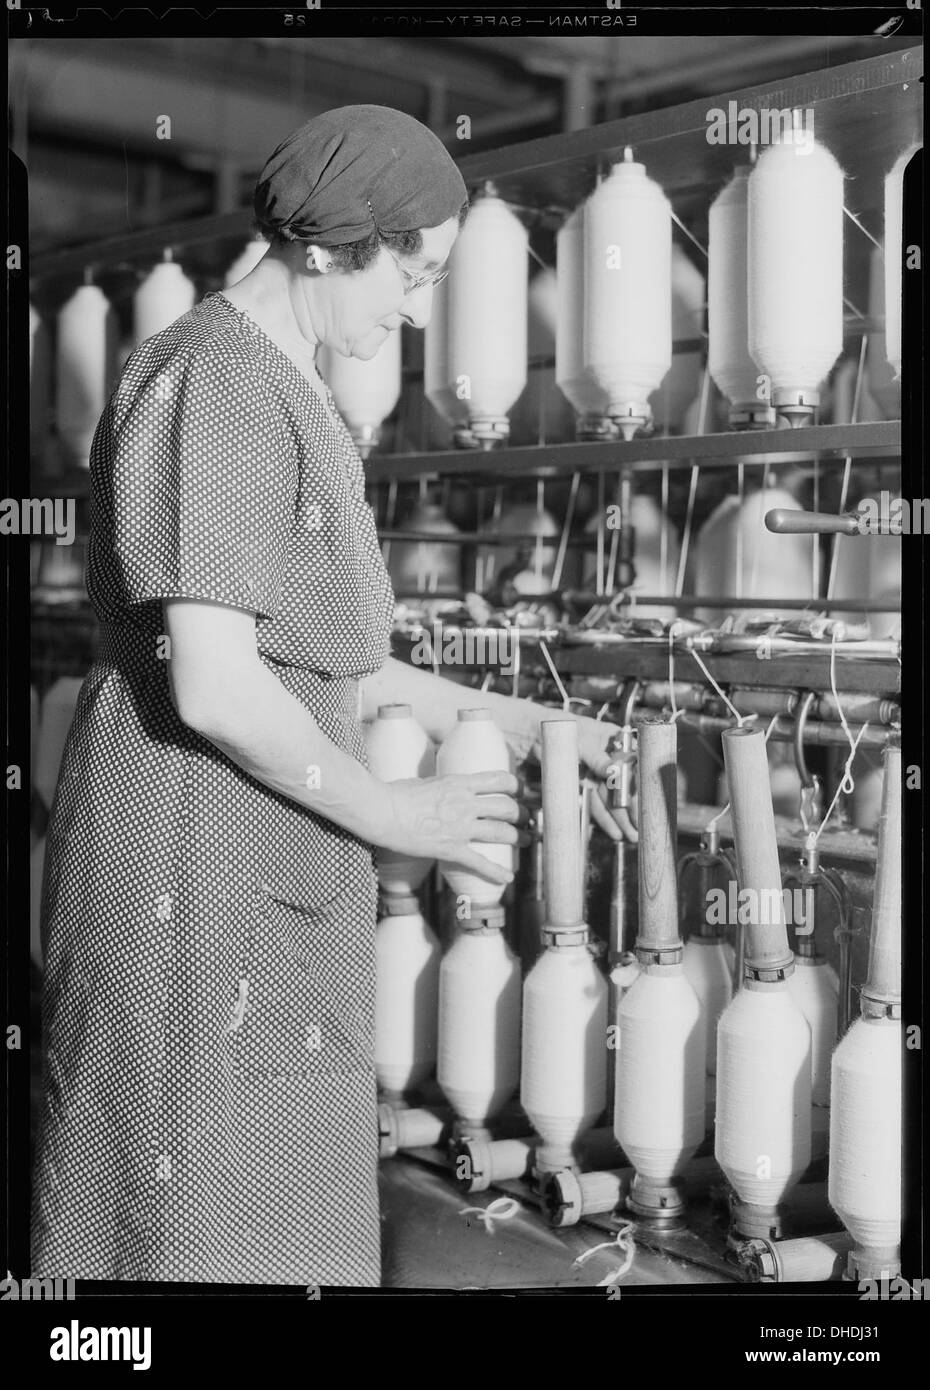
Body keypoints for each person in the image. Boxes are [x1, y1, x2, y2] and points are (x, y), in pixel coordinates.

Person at [31, 105, 625, 1287]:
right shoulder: (220, 380)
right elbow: (212, 682)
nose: (417, 302)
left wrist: (542, 727)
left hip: (263, 870)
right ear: (328, 243)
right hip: (192, 876)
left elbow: (329, 661)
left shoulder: (288, 385)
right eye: (413, 267)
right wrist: (397, 815)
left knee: (270, 1227)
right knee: (185, 1237)